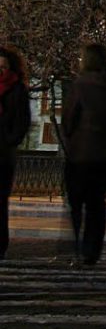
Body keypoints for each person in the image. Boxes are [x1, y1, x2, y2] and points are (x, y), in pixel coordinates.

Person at [60, 43, 106, 267]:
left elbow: (68, 120)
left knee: (76, 202)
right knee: (97, 203)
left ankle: (75, 246)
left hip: (79, 155)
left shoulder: (79, 85)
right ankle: (92, 251)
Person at [0, 45, 33, 261]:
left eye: (3, 67)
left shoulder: (17, 89)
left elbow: (22, 121)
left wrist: (10, 140)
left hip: (2, 155)